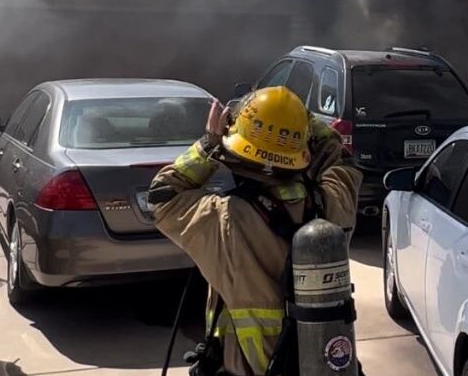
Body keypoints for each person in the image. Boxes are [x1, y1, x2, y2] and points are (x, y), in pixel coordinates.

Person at [149, 86, 362, 375]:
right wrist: (304, 120)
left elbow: (162, 196)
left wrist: (209, 144)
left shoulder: (225, 218)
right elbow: (342, 160)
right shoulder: (333, 203)